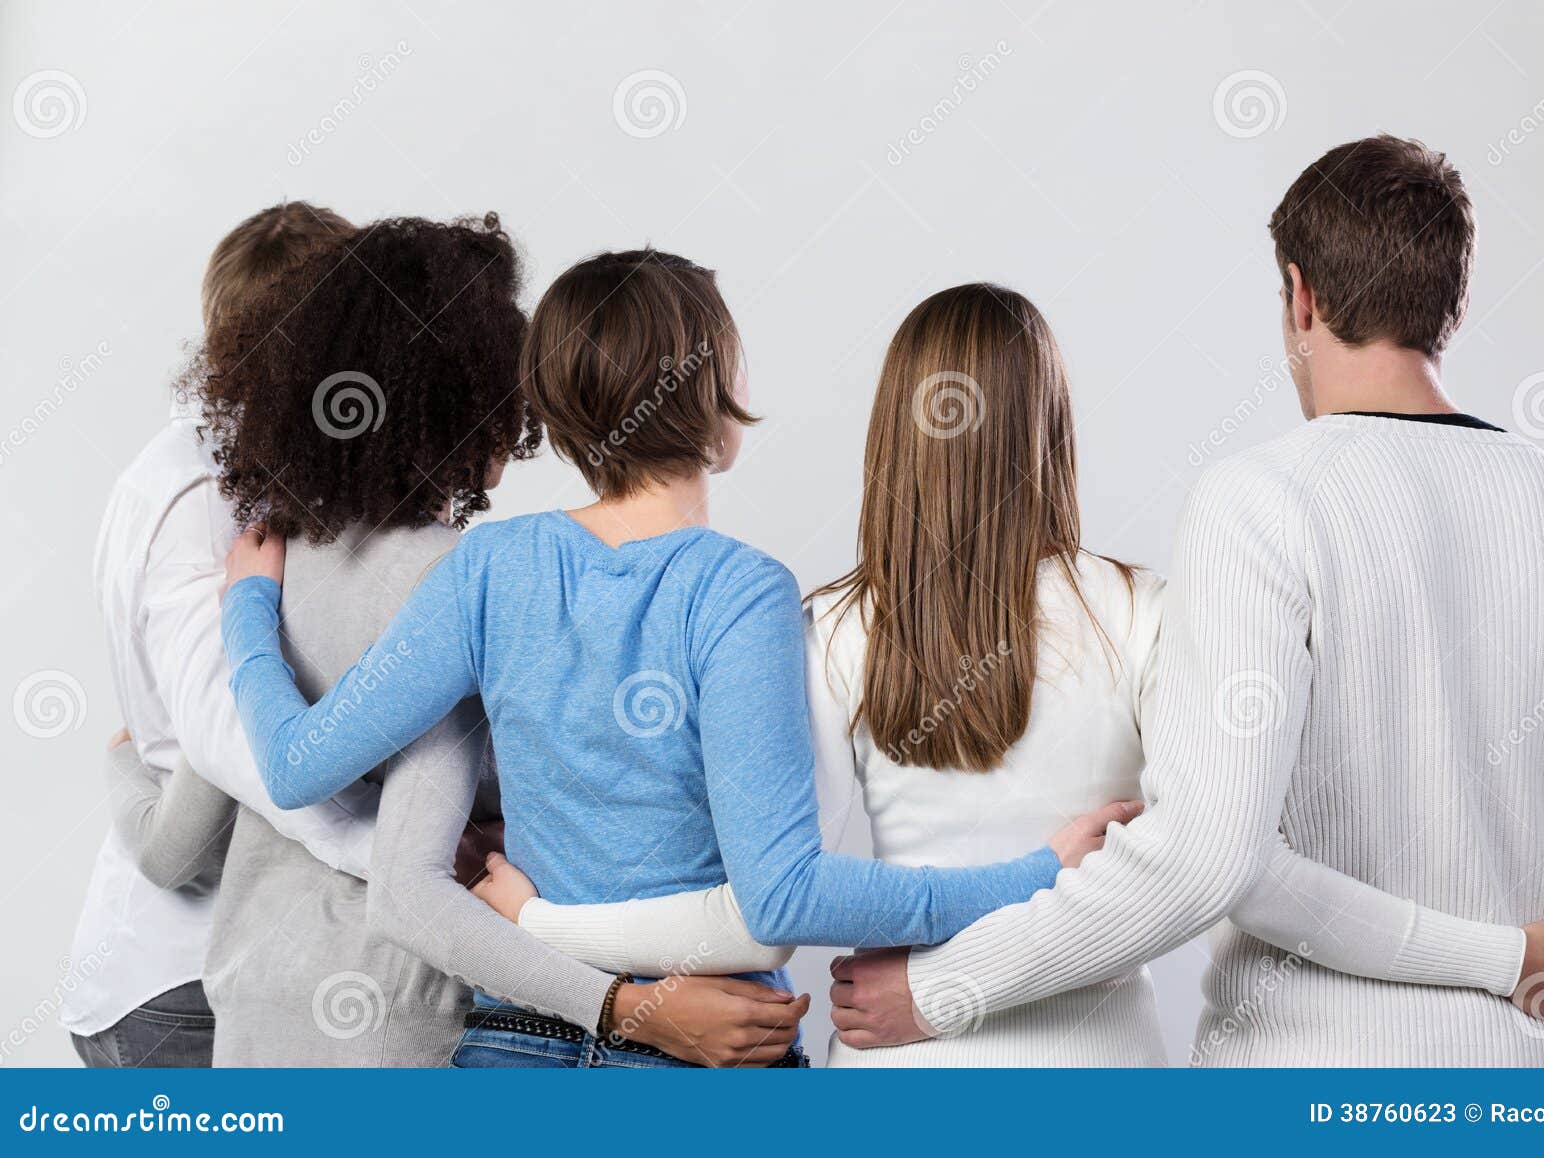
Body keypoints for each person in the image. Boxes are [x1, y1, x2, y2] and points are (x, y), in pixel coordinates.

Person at [465, 281, 1544, 1068]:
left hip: (888, 1076)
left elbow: (764, 912)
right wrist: (1498, 957)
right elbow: (1237, 868)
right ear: (1051, 427)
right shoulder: (1147, 613)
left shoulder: (816, 631)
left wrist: (547, 923)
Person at [217, 248, 1101, 1069]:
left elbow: (298, 765)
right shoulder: (741, 592)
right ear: (713, 388)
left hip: (514, 1047)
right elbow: (785, 898)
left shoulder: (489, 566)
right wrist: (1031, 878)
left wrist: (248, 608)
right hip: (698, 1054)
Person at [828, 135, 1544, 1066]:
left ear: (1301, 295)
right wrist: (1515, 961)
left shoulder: (1264, 501)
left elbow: (1209, 857)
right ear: (1454, 301)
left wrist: (948, 984)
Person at [178, 218, 826, 1067]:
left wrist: (247, 614)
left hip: (302, 1012)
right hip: (438, 1020)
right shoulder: (470, 574)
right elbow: (407, 884)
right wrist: (628, 1007)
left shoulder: (308, 563)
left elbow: (262, 786)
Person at [64, 202, 370, 1068]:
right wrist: (396, 856)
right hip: (178, 987)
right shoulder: (198, 493)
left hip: (229, 960)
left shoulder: (250, 472)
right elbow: (231, 738)